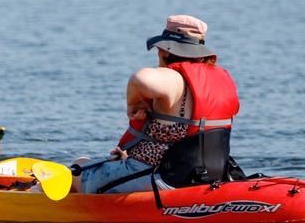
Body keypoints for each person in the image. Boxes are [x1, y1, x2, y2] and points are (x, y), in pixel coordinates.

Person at [73, 14, 240, 194]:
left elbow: (139, 79)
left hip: (162, 178)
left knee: (79, 166)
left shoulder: (174, 78)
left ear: (166, 52)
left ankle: (42, 198)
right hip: (208, 175)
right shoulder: (221, 79)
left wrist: (133, 104)